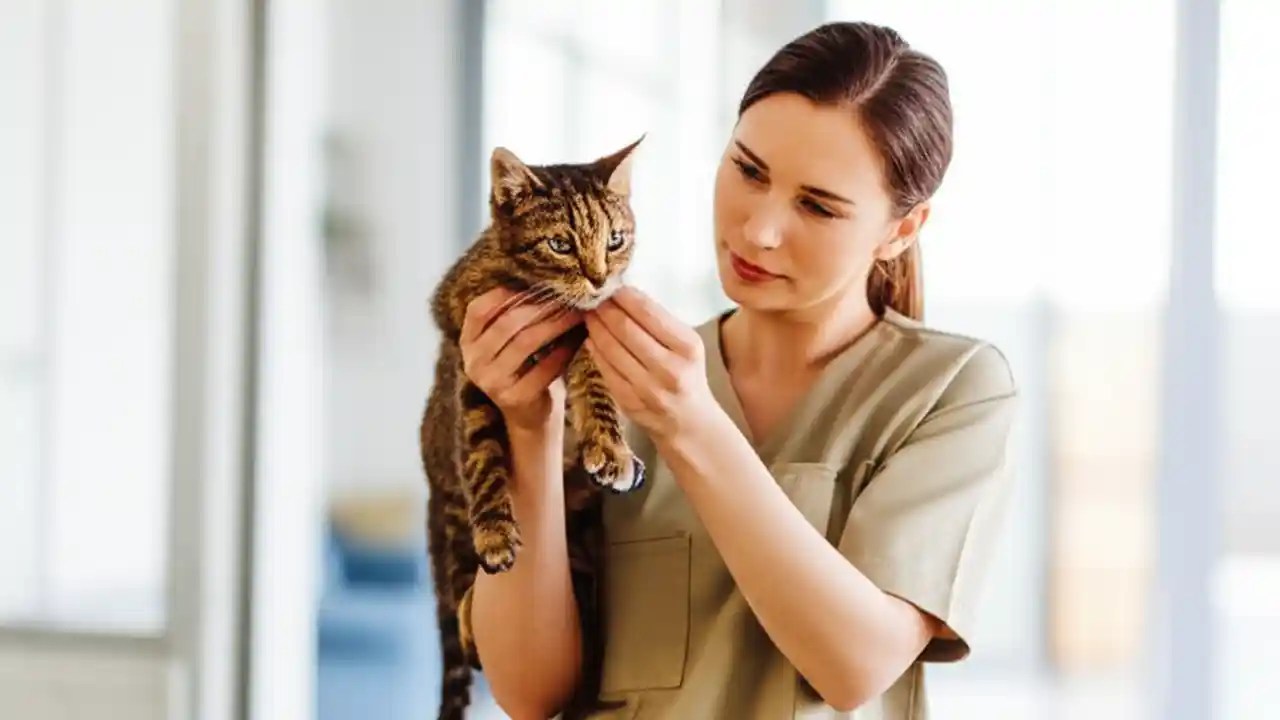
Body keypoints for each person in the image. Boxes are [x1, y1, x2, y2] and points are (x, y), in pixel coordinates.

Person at [457, 20, 1018, 720]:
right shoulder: (607, 381)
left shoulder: (951, 389)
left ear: (900, 230)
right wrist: (529, 426)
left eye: (817, 205)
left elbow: (853, 668)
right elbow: (529, 692)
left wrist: (690, 425)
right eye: (748, 170)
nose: (758, 229)